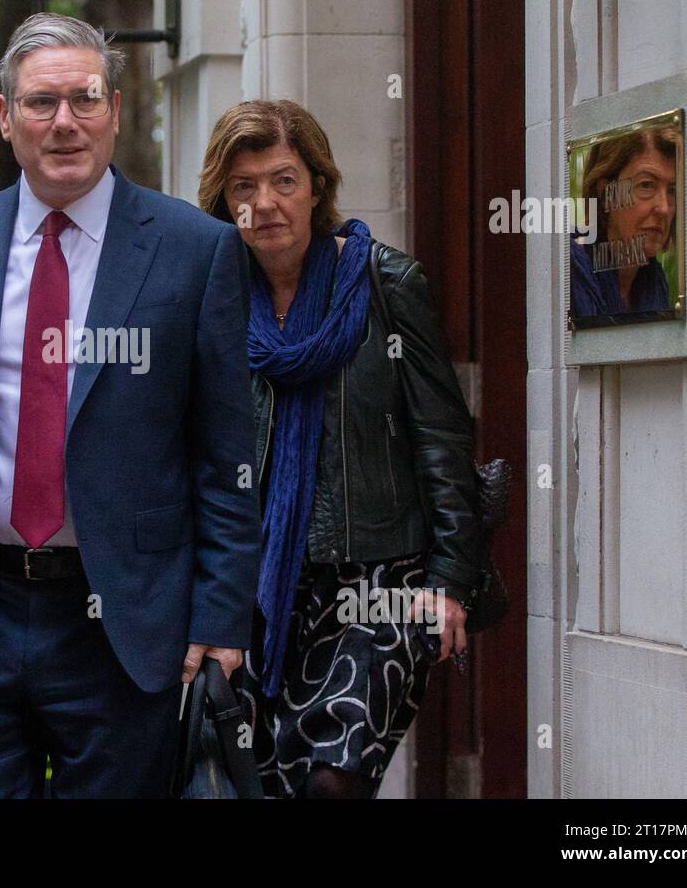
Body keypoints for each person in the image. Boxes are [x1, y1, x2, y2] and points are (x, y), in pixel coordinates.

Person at [0, 13, 262, 798]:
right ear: (6, 118)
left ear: (116, 110)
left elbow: (225, 461)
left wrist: (221, 618)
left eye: (84, 99)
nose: (64, 121)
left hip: (125, 626)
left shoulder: (195, 250)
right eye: (41, 103)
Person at [197, 99, 482, 799]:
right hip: (265, 590)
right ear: (223, 200)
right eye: (244, 187)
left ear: (317, 185)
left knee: (333, 781)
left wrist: (448, 580)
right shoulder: (213, 300)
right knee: (269, 782)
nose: (265, 203)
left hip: (384, 583)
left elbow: (442, 440)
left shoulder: (387, 286)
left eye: (284, 180)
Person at [570, 125, 680, 320]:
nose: (663, 208)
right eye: (646, 185)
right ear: (606, 195)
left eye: (671, 190)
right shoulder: (569, 267)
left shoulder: (653, 278)